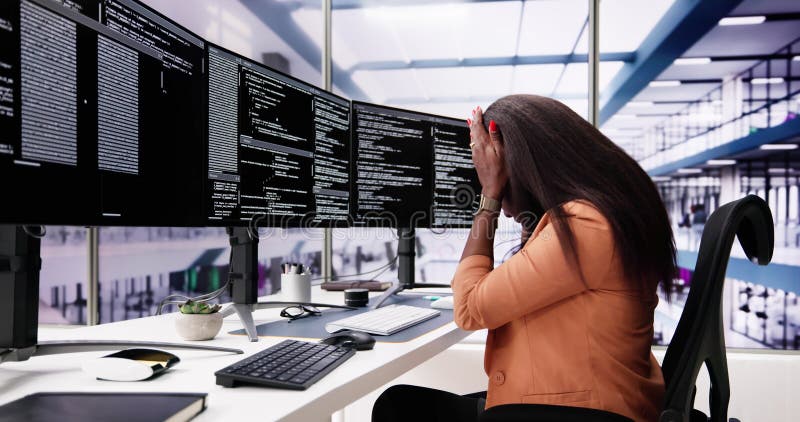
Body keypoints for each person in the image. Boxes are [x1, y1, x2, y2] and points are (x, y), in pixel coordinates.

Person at [372, 95, 676, 422]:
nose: (504, 207)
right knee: (400, 404)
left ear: (526, 170)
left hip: (581, 412)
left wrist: (489, 197)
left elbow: (469, 308)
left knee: (398, 409)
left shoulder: (586, 227)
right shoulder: (596, 217)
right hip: (578, 401)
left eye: (502, 181)